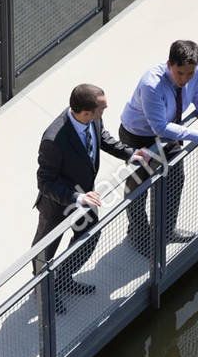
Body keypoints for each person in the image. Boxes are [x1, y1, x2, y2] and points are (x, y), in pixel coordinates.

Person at [33, 83, 138, 313]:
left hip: (86, 198)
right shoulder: (53, 140)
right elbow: (45, 182)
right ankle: (43, 292)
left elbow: (103, 138)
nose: (105, 112)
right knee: (45, 251)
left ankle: (62, 279)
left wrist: (130, 153)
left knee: (89, 235)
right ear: (85, 112)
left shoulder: (93, 120)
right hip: (58, 205)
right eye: (102, 109)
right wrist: (77, 198)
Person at [118, 39, 198, 255]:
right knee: (139, 187)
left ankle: (167, 230)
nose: (185, 79)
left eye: (190, 73)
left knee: (176, 179)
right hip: (139, 137)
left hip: (170, 133)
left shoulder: (197, 70)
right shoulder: (152, 84)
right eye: (180, 73)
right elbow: (159, 127)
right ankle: (138, 234)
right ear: (169, 65)